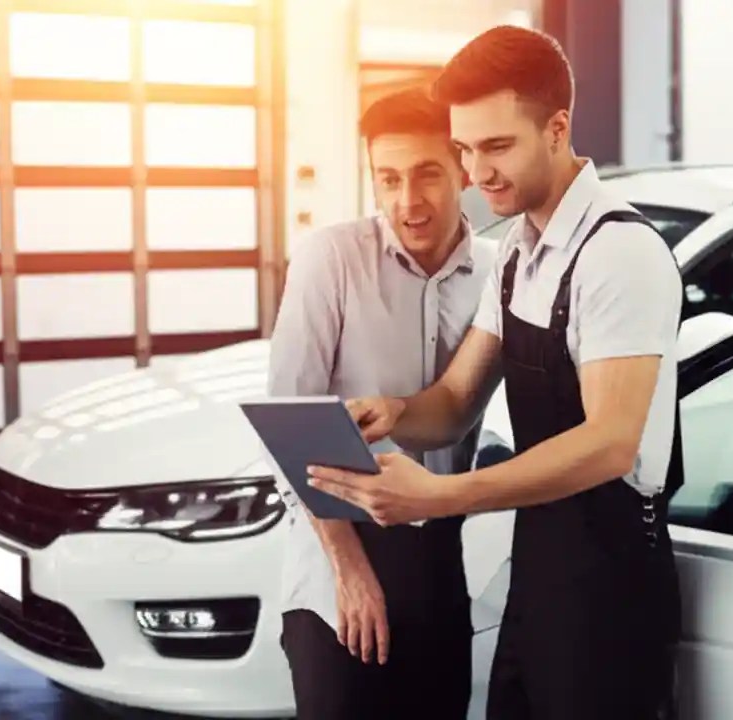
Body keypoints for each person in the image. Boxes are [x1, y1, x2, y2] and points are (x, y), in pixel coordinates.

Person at [307, 25, 685, 720]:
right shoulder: (514, 252)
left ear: (557, 128)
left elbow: (610, 443)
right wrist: (393, 411)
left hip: (611, 589)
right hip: (540, 571)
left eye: (496, 146)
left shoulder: (619, 255)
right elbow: (453, 400)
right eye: (464, 149)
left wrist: (440, 497)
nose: (476, 172)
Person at [266, 84, 495, 719]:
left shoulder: (501, 273)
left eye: (426, 175)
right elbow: (292, 420)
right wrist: (350, 569)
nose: (407, 201)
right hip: (339, 545)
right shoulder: (331, 259)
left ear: (462, 169)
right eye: (387, 179)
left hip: (443, 555)